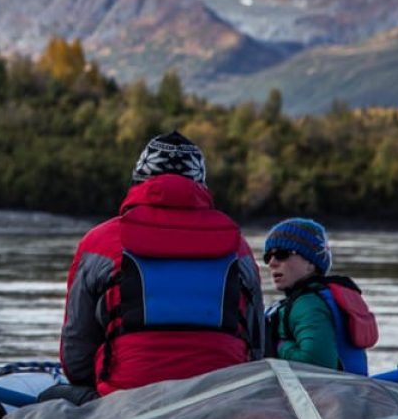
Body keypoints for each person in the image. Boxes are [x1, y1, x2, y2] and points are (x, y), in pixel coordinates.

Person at [59, 131, 264, 398]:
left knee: (50, 400)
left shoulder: (99, 242)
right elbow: (257, 345)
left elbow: (75, 354)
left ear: (139, 180)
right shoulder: (239, 248)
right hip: (221, 397)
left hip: (126, 398)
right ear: (201, 185)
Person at [263, 217, 378, 374]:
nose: (272, 263)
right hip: (354, 392)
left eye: (282, 254)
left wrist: (277, 344)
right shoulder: (326, 296)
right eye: (267, 257)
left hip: (331, 396)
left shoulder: (308, 303)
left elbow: (316, 363)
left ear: (311, 263)